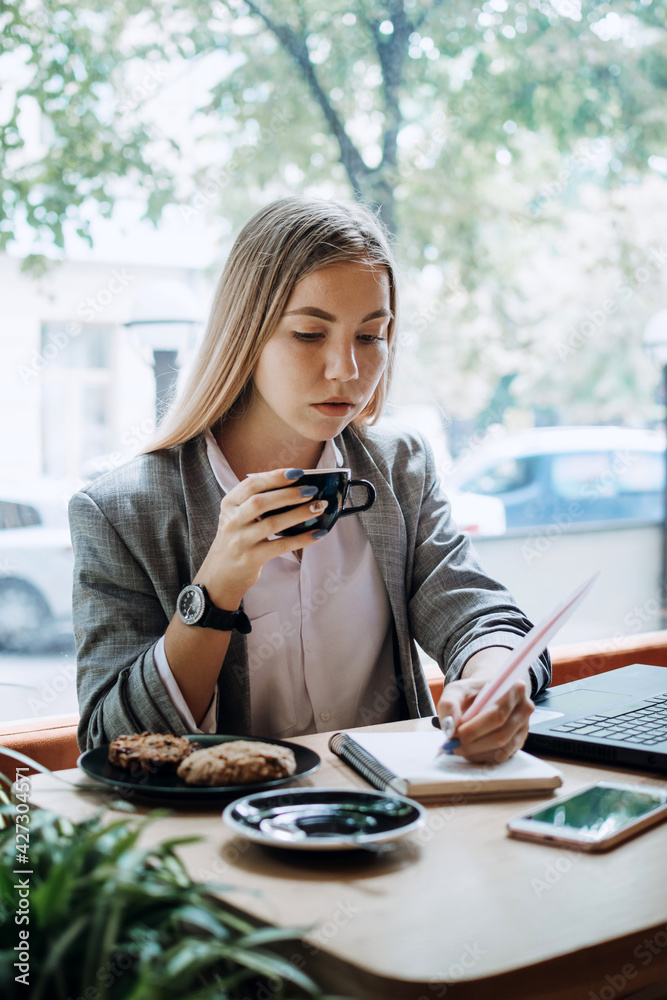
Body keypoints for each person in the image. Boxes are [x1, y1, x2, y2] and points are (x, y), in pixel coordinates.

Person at [70, 196, 550, 760]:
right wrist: (217, 588)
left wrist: (495, 680)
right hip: (218, 835)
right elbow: (109, 742)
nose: (346, 369)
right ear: (246, 335)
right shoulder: (122, 512)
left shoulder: (399, 469)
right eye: (309, 334)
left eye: (370, 336)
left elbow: (474, 609)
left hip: (389, 822)